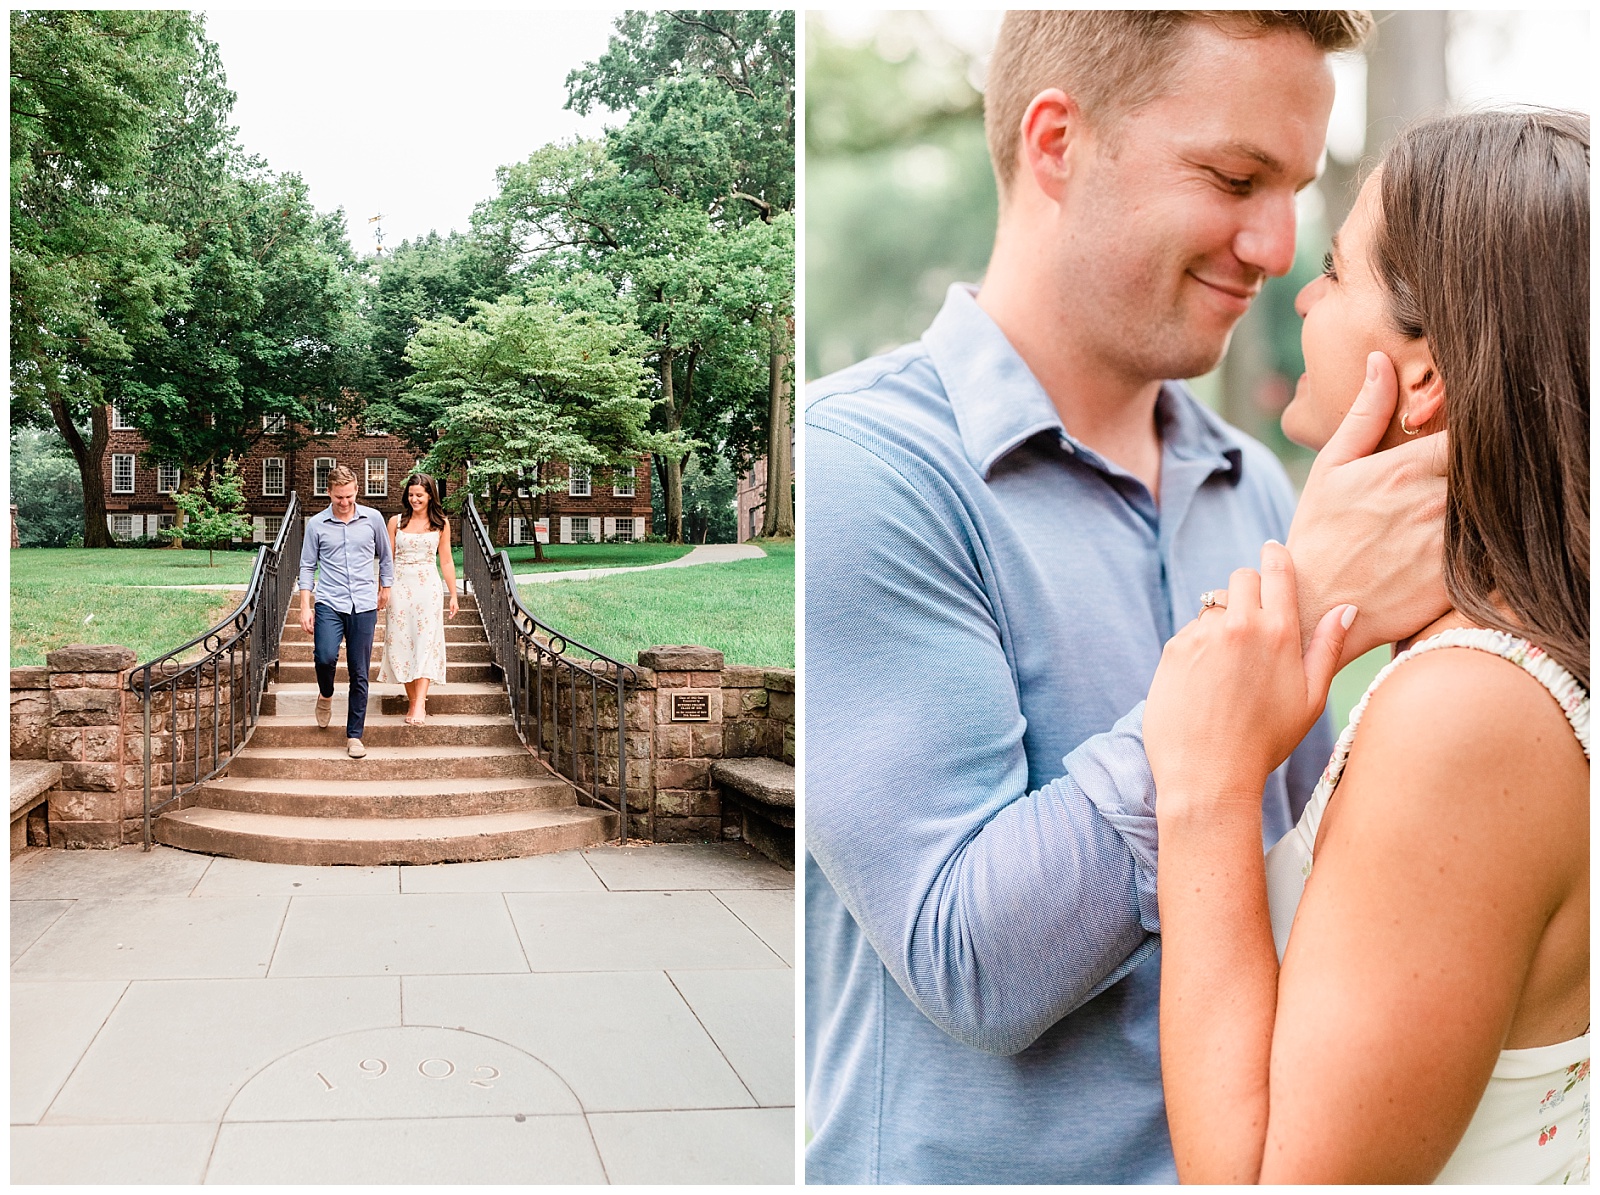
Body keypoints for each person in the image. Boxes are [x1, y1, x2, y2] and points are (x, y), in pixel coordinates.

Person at [804, 10, 1456, 1184]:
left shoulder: (1254, 485)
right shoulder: (867, 470)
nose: (1273, 245)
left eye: (1296, 189)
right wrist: (1295, 607)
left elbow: (1312, 901)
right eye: (1234, 176)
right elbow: (972, 963)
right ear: (1056, 142)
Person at [1145, 109, 1589, 1184]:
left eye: (1336, 270)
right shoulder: (1490, 671)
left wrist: (1204, 783)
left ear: (1422, 376)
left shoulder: (1467, 714)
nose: (1300, 289)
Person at [297, 464, 394, 758]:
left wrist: (385, 587)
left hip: (364, 604)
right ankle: (325, 694)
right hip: (330, 601)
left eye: (350, 496)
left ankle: (354, 735)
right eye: (339, 497)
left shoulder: (373, 519)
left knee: (359, 671)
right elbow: (307, 566)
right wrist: (305, 605)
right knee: (325, 656)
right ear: (329, 493)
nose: (344, 502)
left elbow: (386, 557)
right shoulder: (316, 524)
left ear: (356, 491)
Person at [379, 473, 458, 723]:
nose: (414, 499)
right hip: (400, 587)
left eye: (419, 495)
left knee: (425, 643)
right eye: (411, 495)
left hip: (428, 588)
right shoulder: (396, 522)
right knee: (402, 643)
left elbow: (445, 560)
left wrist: (453, 594)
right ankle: (413, 701)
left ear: (430, 496)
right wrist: (383, 588)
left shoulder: (441, 523)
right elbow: (386, 559)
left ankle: (420, 705)